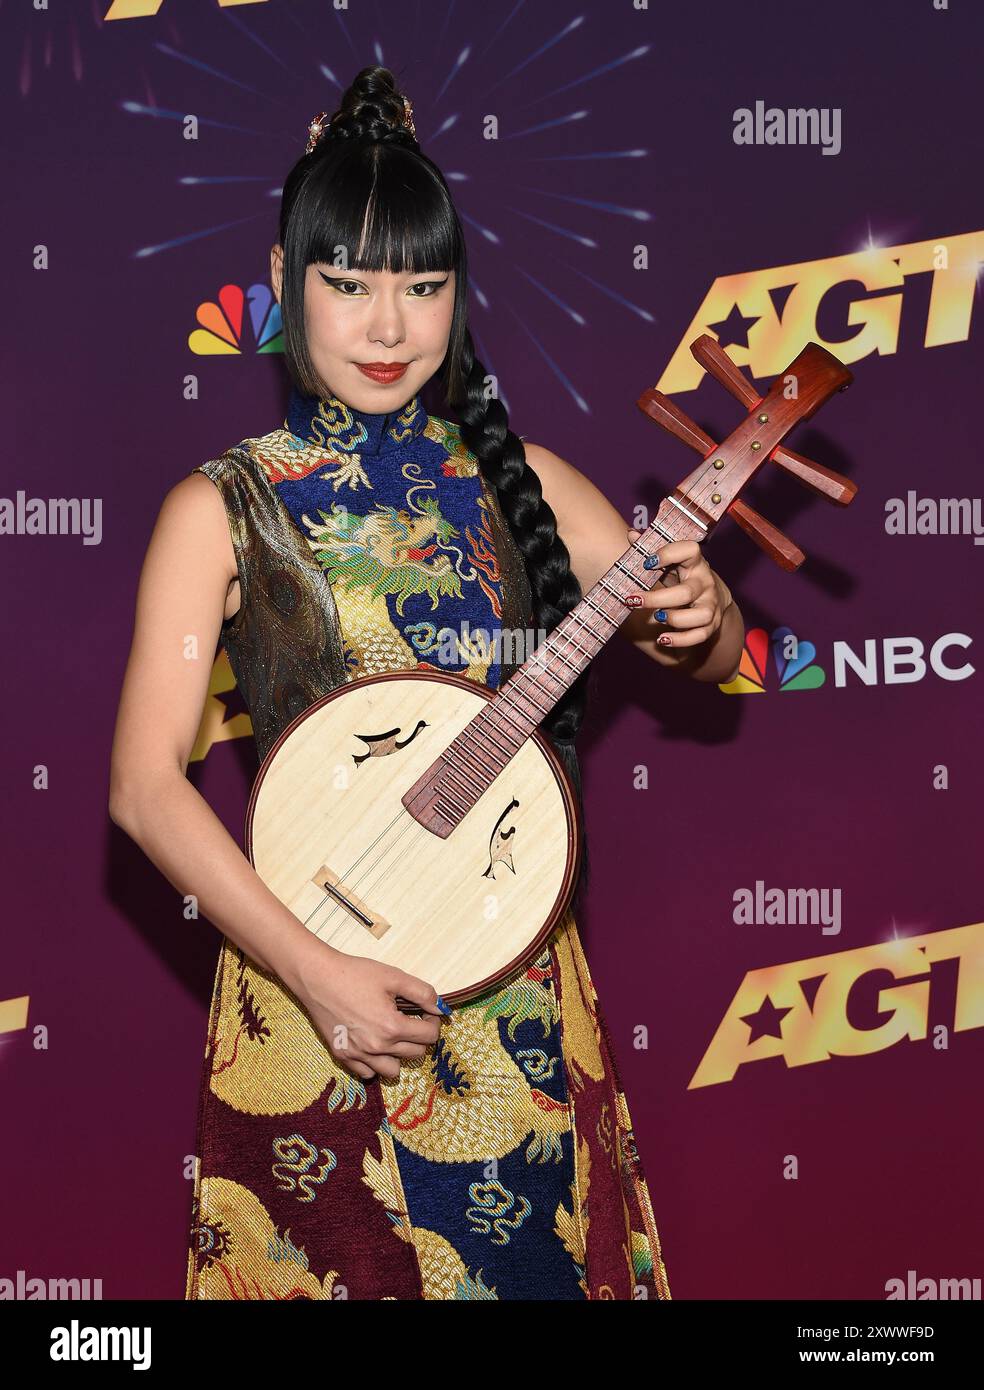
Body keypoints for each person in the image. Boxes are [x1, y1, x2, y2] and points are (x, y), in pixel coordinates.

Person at [109, 65, 743, 1301]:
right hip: (310, 990)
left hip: (517, 999)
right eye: (347, 285)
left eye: (421, 285)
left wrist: (707, 612)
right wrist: (316, 973)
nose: (388, 326)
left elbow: (702, 658)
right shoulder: (221, 508)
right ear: (285, 285)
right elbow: (143, 788)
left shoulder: (529, 480)